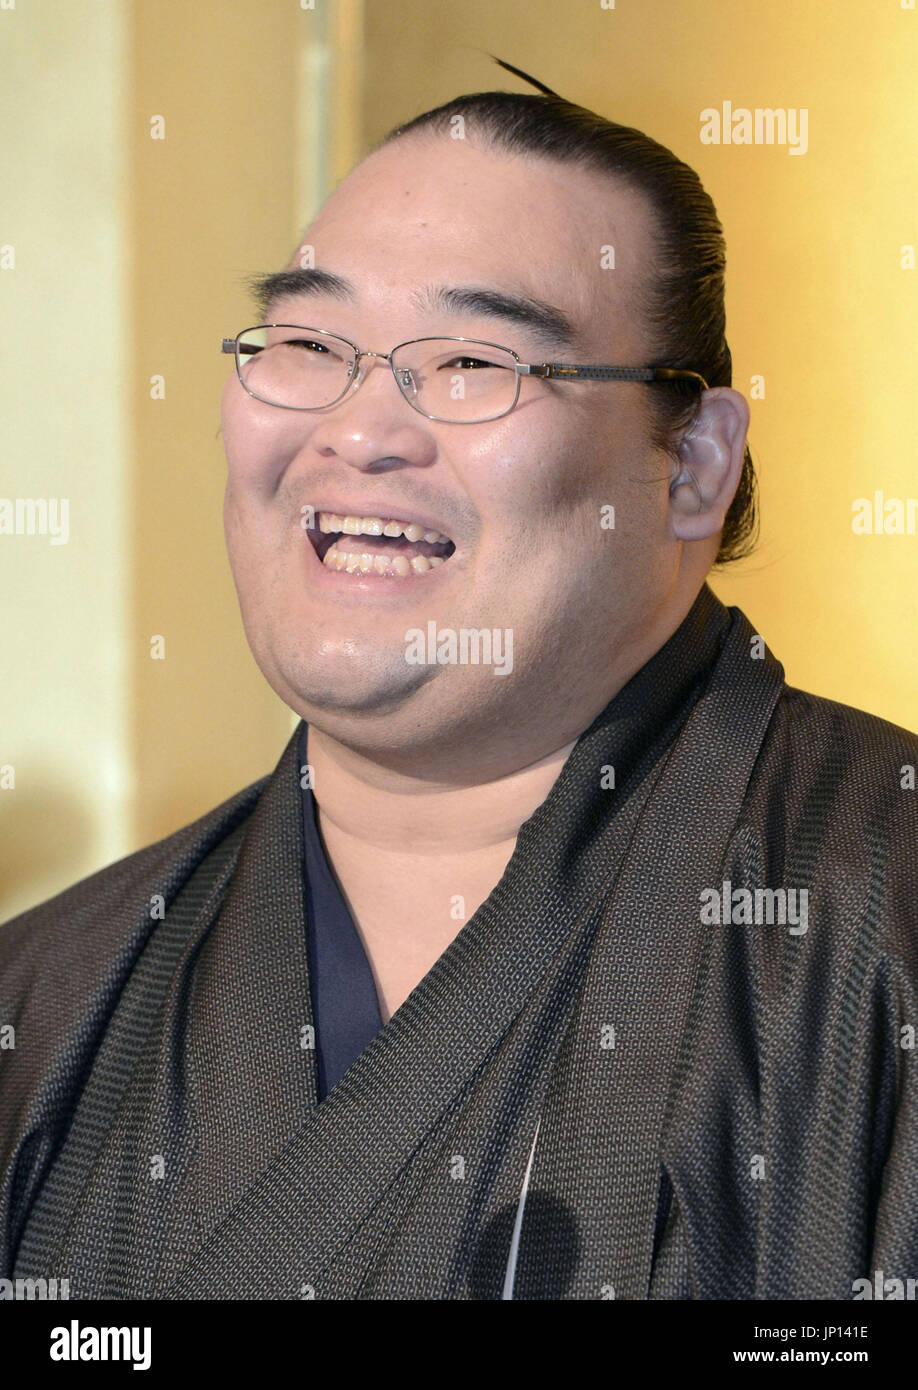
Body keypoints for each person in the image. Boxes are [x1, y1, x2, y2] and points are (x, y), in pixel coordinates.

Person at [2, 63, 916, 1302]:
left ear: (693, 465)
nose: (360, 431)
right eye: (309, 343)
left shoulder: (878, 924)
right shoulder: (49, 1002)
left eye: (476, 362)